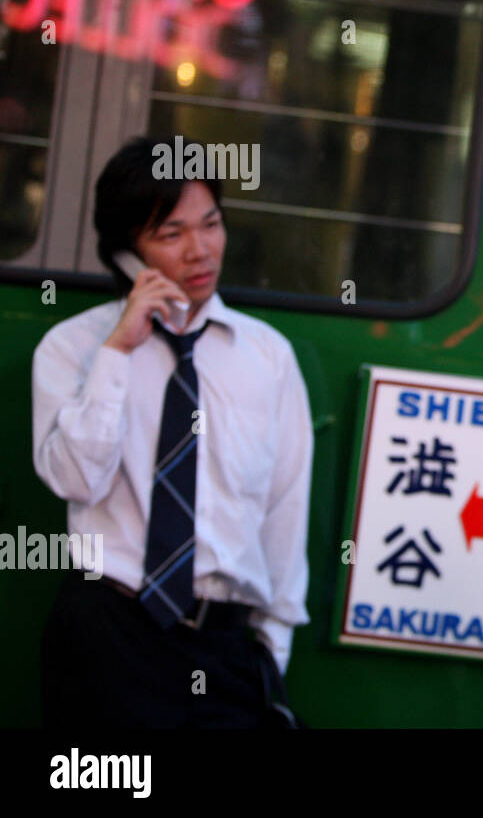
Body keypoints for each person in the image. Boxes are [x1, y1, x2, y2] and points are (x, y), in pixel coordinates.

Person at [32, 136, 313, 727]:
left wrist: (272, 646)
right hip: (110, 637)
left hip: (225, 649)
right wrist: (119, 352)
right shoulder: (73, 349)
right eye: (170, 235)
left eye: (210, 224)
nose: (200, 250)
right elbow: (75, 480)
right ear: (125, 255)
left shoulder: (268, 358)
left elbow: (286, 512)